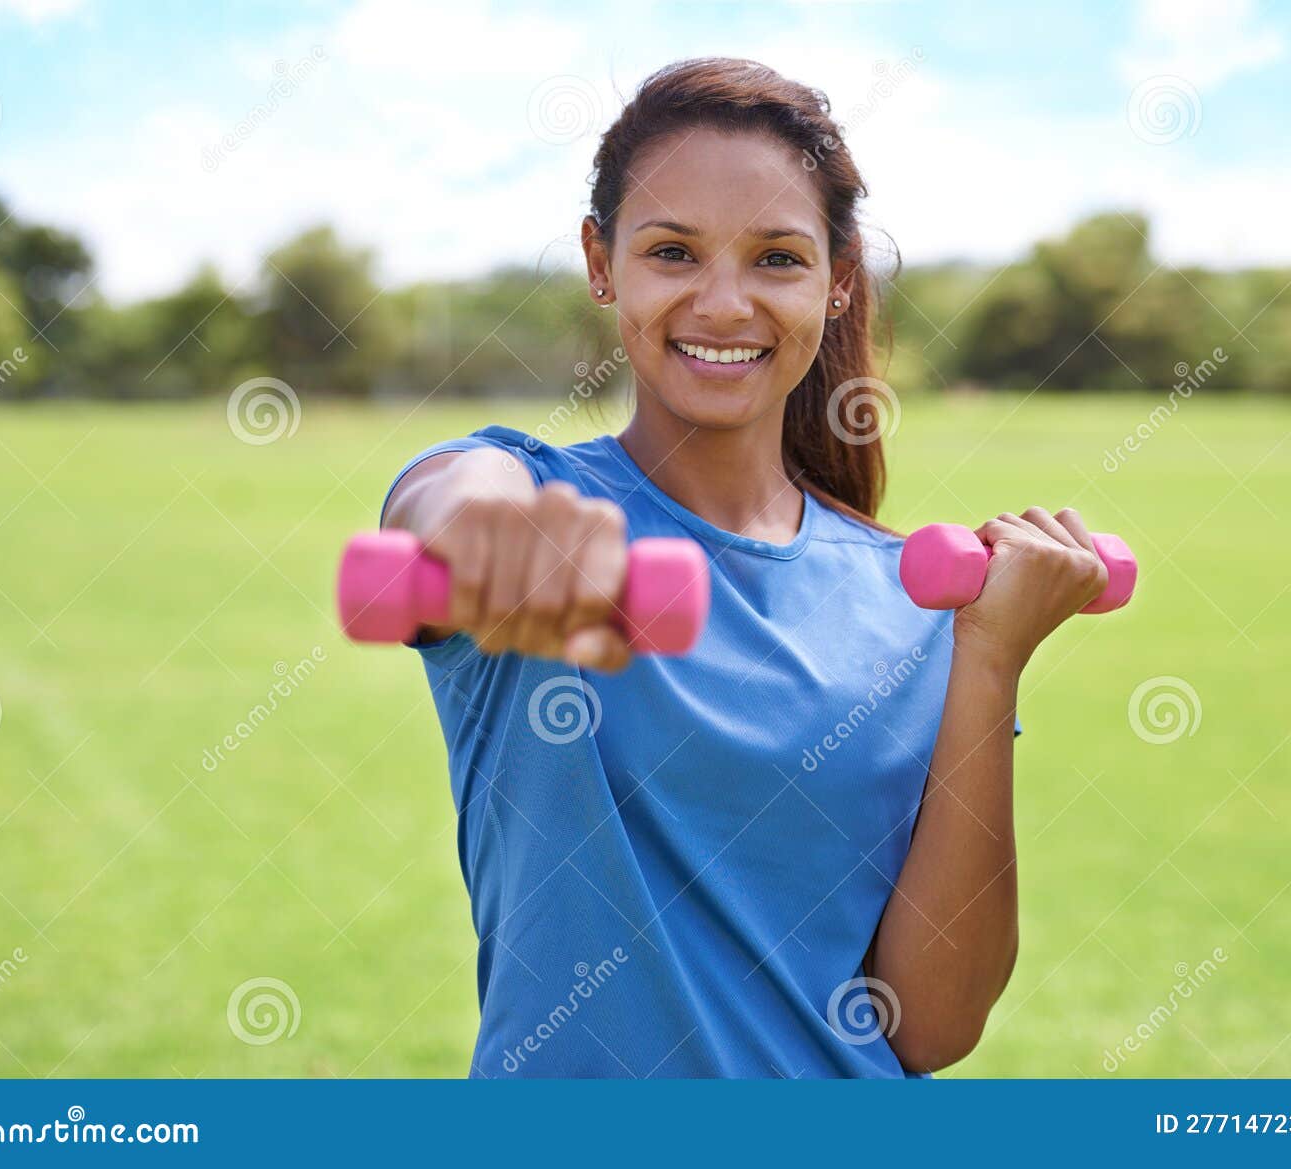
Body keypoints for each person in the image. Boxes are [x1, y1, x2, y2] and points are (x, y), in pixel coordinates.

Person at [378, 57, 1108, 1078]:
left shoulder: (914, 601)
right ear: (602, 262)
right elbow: (443, 507)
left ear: (836, 277)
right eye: (673, 251)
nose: (723, 304)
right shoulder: (517, 487)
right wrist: (496, 544)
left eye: (776, 259)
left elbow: (928, 1025)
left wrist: (988, 660)